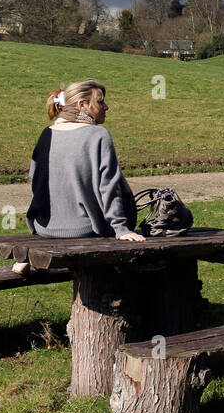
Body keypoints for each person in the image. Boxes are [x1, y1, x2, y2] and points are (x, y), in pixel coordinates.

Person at [12, 79, 143, 275]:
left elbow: (34, 181)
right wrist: (121, 229)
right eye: (100, 102)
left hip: (44, 228)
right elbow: (109, 186)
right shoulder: (98, 135)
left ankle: (37, 265)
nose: (107, 107)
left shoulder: (46, 134)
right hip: (85, 228)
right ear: (82, 105)